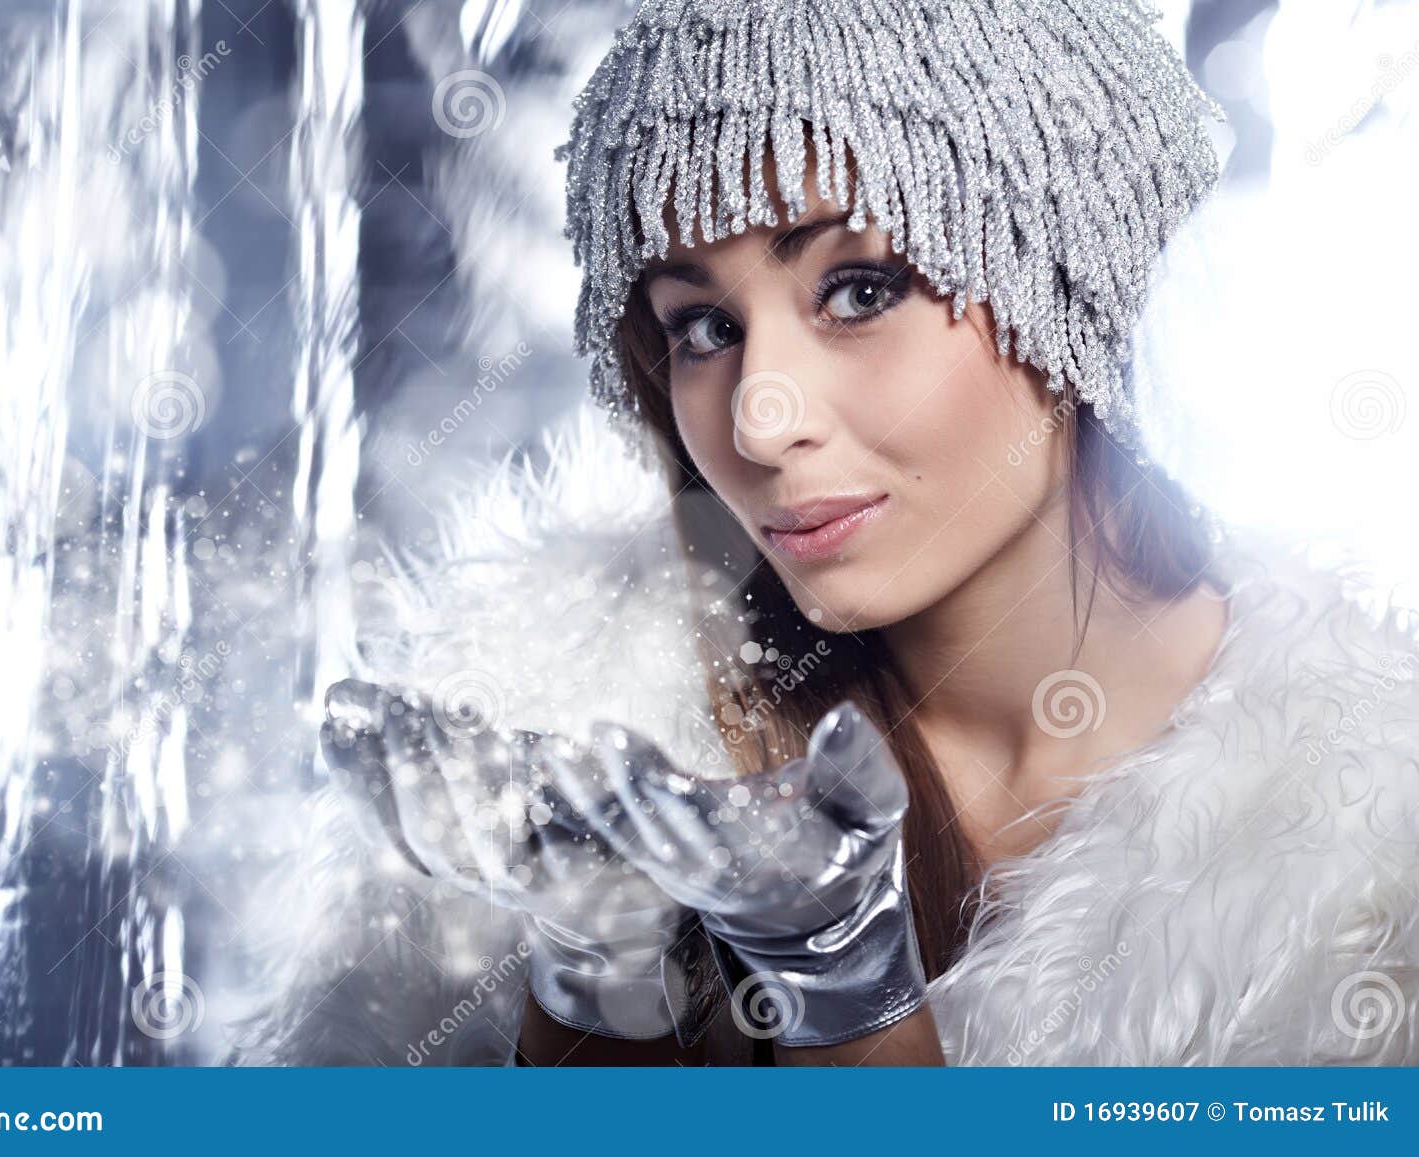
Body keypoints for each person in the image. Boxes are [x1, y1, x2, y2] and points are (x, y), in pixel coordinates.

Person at [241, 0, 1419, 1066]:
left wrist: (842, 987)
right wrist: (594, 974)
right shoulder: (584, 715)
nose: (758, 415)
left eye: (860, 290)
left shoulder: (1376, 855)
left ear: (1072, 286)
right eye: (699, 325)